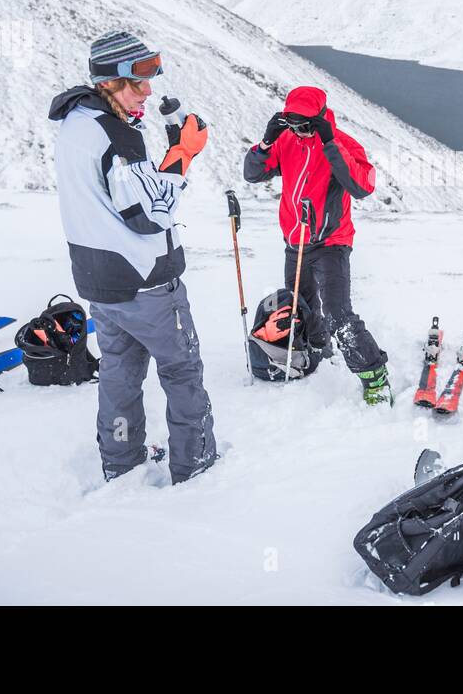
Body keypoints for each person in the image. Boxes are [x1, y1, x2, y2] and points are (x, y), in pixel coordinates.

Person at [49, 30, 217, 484]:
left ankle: (120, 462)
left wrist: (163, 152)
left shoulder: (78, 122)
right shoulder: (118, 135)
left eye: (150, 77)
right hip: (147, 284)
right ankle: (195, 467)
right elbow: (148, 215)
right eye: (137, 80)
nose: (147, 89)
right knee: (182, 372)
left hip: (101, 282)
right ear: (108, 81)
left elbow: (122, 190)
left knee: (120, 376)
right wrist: (183, 154)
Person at [242, 86, 392, 404]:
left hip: (331, 241)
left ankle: (374, 375)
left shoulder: (342, 144)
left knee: (337, 313)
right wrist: (266, 142)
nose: (299, 130)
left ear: (321, 118)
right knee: (303, 309)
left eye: (306, 123)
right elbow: (252, 174)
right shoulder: (286, 141)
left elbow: (361, 186)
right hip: (295, 241)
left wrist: (329, 143)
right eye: (293, 123)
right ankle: (318, 354)